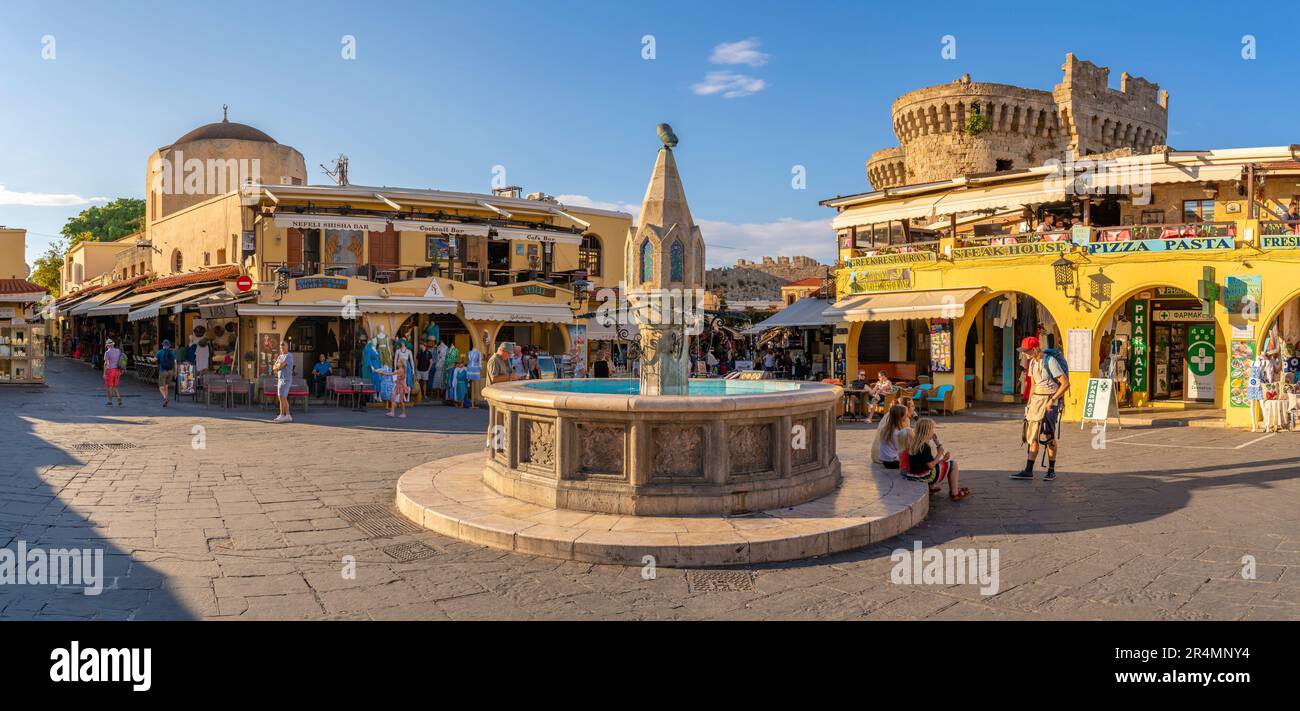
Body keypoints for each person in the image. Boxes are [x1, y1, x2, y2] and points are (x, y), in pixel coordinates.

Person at [1011, 336, 1069, 481]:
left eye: (1026, 351)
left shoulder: (1050, 361)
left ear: (1034, 349)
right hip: (1036, 401)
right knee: (1032, 435)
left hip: (1050, 401)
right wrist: (1029, 403)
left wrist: (1053, 400)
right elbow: (1034, 385)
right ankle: (1029, 470)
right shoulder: (1032, 363)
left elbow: (1065, 384)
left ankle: (1051, 470)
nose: (1024, 353)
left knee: (1049, 436)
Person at [905, 418, 970, 500]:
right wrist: (939, 454)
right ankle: (955, 493)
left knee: (945, 464)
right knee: (953, 464)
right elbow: (930, 465)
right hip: (925, 476)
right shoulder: (925, 447)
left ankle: (931, 487)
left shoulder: (914, 443)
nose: (933, 432)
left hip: (914, 474)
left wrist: (942, 460)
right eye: (932, 429)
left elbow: (926, 463)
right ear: (927, 431)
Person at [871, 404, 912, 469]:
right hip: (893, 462)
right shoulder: (896, 432)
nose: (907, 416)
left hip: (886, 460)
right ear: (900, 417)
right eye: (906, 414)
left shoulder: (887, 428)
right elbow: (900, 448)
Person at [272, 339, 294, 423]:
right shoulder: (280, 356)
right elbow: (274, 367)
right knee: (281, 397)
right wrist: (278, 366)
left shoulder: (289, 355)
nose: (282, 347)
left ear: (287, 346)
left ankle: (282, 415)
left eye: (283, 345)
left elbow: (281, 365)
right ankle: (287, 415)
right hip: (280, 379)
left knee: (283, 397)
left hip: (286, 379)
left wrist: (278, 366)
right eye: (281, 345)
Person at [388, 344, 409, 418]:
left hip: (401, 387)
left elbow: (392, 374)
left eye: (398, 362)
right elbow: (392, 374)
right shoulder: (399, 370)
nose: (397, 363)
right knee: (393, 398)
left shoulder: (401, 370)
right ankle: (392, 412)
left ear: (401, 364)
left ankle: (404, 413)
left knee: (400, 401)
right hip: (398, 386)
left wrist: (382, 372)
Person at [103, 339, 124, 407]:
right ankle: (119, 401)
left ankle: (110, 402)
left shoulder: (107, 352)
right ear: (113, 344)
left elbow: (106, 363)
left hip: (110, 371)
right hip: (117, 370)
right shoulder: (118, 351)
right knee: (116, 387)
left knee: (110, 387)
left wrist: (104, 373)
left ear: (107, 345)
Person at [156, 339, 176, 407]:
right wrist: (175, 372)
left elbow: (154, 360)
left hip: (163, 371)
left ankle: (165, 398)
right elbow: (175, 363)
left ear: (163, 345)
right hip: (170, 371)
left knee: (161, 387)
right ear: (169, 345)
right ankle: (166, 400)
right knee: (166, 386)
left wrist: (150, 359)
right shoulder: (172, 352)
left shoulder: (159, 352)